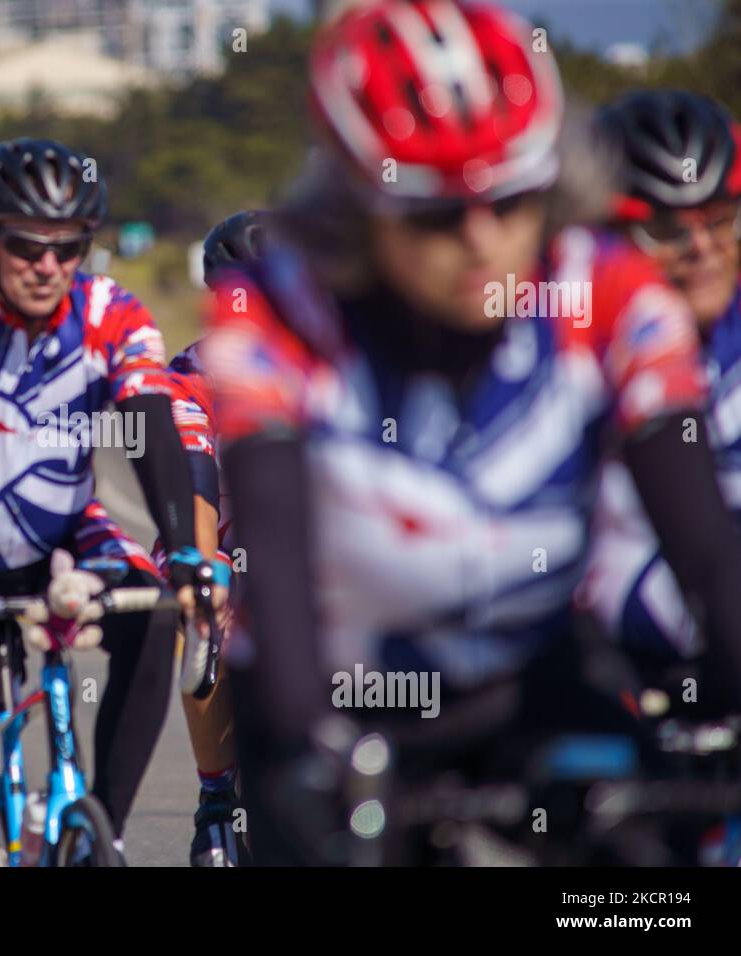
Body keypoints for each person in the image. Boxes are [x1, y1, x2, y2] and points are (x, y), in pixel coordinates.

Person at [202, 0, 741, 864]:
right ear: (355, 207)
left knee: (647, 881)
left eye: (512, 199)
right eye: (433, 215)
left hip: (529, 678)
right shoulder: (272, 311)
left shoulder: (608, 290)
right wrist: (311, 747)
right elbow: (276, 550)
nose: (482, 241)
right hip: (334, 692)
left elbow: (706, 540)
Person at [0, 137, 220, 865]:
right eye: (28, 246)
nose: (48, 267)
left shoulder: (110, 312)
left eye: (69, 249)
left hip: (67, 536)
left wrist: (187, 551)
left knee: (160, 610)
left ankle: (100, 829)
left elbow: (152, 427)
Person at [580, 91, 741, 673]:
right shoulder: (568, 346)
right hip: (627, 650)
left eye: (721, 221)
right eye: (666, 230)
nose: (703, 251)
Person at [158, 210, 267, 866]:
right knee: (199, 601)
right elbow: (193, 483)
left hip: (303, 538)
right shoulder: (189, 376)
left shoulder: (334, 354)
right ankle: (215, 797)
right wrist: (202, 570)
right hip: (219, 531)